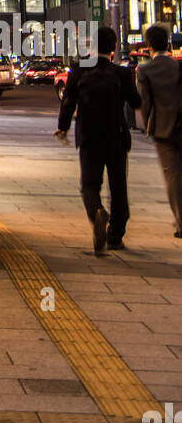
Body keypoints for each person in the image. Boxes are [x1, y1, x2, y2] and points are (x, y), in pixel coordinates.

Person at [56, 25, 140, 254]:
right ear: (113, 47)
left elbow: (68, 102)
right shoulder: (121, 73)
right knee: (118, 186)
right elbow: (135, 103)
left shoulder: (79, 70)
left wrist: (62, 127)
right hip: (116, 136)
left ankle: (96, 211)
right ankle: (115, 236)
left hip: (89, 135)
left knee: (90, 185)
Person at [136, 24, 182, 240]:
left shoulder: (145, 70)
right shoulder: (179, 67)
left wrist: (148, 126)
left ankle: (181, 222)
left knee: (172, 175)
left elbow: (145, 103)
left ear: (148, 45)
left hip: (163, 130)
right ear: (168, 43)